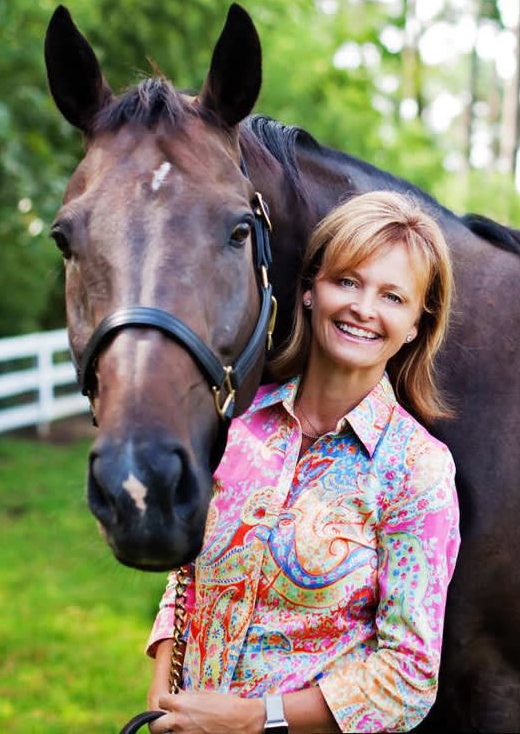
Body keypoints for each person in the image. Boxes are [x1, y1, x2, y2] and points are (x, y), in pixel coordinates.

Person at [145, 190, 461, 734]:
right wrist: (164, 704)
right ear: (312, 288)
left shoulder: (418, 470)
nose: (363, 308)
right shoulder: (234, 428)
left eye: (392, 296)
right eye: (347, 281)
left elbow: (408, 676)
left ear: (415, 324)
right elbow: (186, 581)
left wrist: (255, 720)